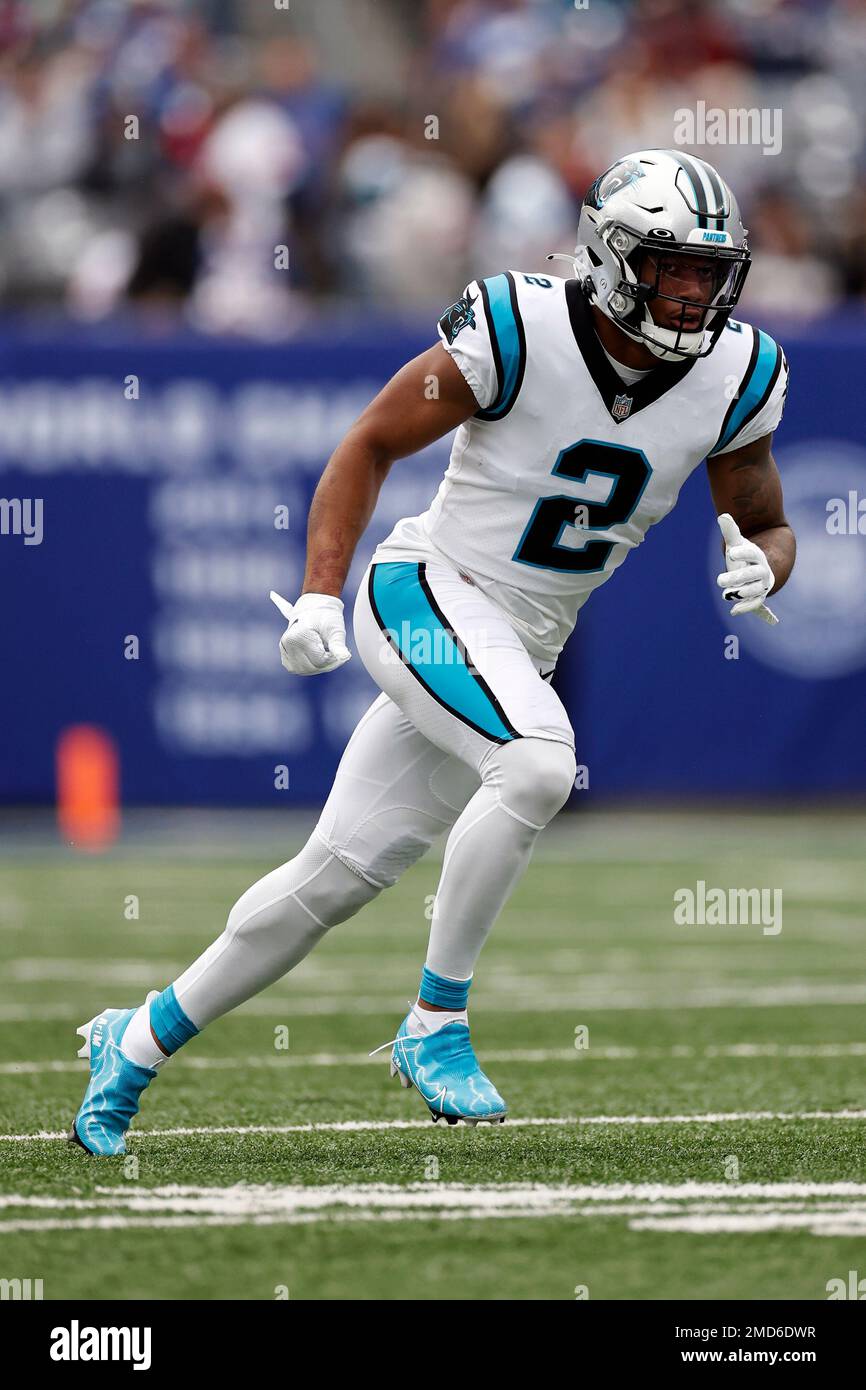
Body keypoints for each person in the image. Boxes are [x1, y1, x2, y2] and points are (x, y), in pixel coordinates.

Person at [69, 149, 795, 1152]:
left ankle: (135, 1040)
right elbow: (368, 441)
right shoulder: (518, 324)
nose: (692, 291)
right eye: (671, 266)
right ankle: (435, 1020)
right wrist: (321, 593)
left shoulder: (737, 372)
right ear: (611, 256)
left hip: (516, 643)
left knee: (333, 875)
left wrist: (765, 563)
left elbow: (763, 519)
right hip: (425, 594)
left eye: (709, 272)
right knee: (538, 763)